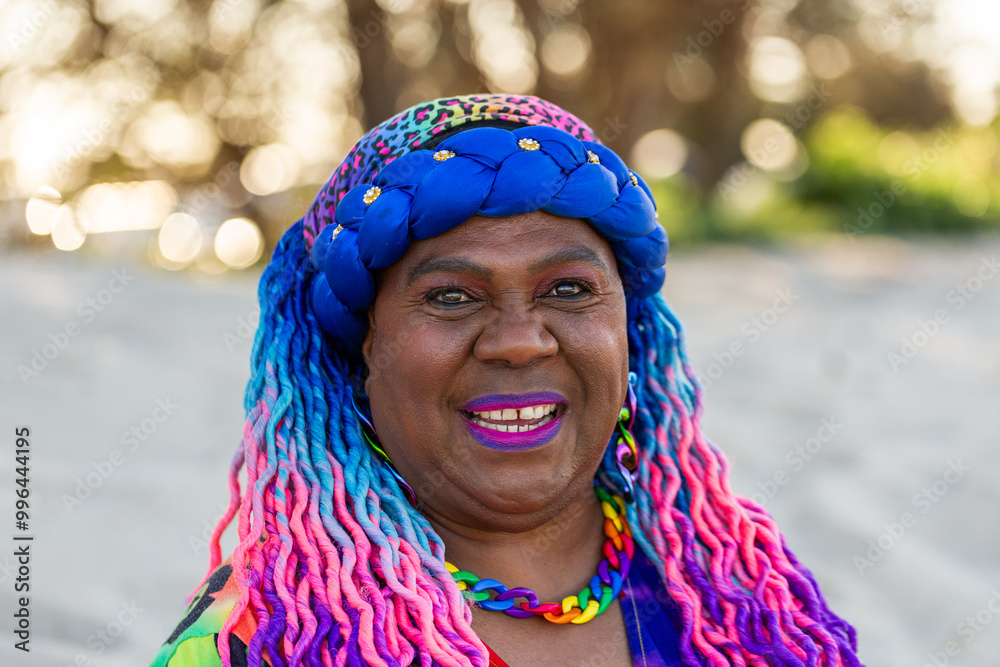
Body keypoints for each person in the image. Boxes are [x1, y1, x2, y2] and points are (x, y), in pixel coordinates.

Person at [150, 94, 863, 667]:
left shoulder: (741, 599)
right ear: (361, 351)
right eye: (452, 296)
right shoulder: (263, 639)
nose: (521, 342)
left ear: (631, 332)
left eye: (569, 289)